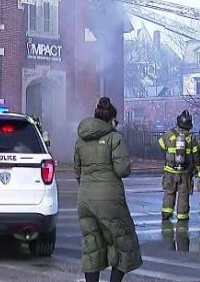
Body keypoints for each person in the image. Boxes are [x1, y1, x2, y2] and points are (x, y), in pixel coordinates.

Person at [75, 97, 142, 282]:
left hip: (85, 199)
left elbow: (77, 170)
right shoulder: (115, 138)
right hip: (109, 199)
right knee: (123, 242)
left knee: (92, 245)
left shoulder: (81, 139)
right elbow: (122, 169)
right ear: (111, 119)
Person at [157, 110, 197, 221]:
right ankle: (182, 216)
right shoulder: (191, 138)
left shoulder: (169, 134)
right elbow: (196, 155)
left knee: (169, 193)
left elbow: (160, 145)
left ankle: (166, 213)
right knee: (183, 195)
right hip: (185, 173)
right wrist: (197, 168)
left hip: (170, 171)